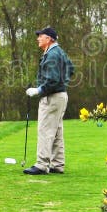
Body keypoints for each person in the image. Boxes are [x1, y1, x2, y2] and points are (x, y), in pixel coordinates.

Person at [23, 26, 75, 175]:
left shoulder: (52, 55)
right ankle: (57, 164)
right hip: (60, 95)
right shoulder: (59, 52)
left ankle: (41, 165)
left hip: (52, 97)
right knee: (57, 131)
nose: (38, 38)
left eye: (41, 36)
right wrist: (62, 83)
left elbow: (52, 79)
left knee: (45, 130)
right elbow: (70, 69)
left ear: (49, 39)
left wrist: (39, 90)